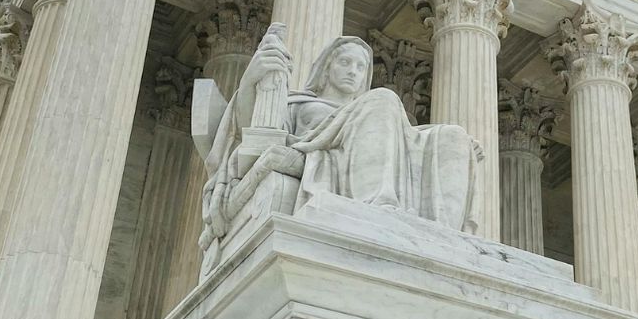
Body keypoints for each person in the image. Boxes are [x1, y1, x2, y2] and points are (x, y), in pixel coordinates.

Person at [200, 29, 481, 249]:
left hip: (361, 149)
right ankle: (376, 209)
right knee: (384, 98)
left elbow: (405, 139)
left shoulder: (373, 112)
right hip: (321, 151)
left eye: (360, 67)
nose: (353, 71)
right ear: (326, 68)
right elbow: (254, 135)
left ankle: (443, 239)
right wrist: (251, 80)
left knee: (454, 135)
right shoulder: (297, 103)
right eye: (345, 62)